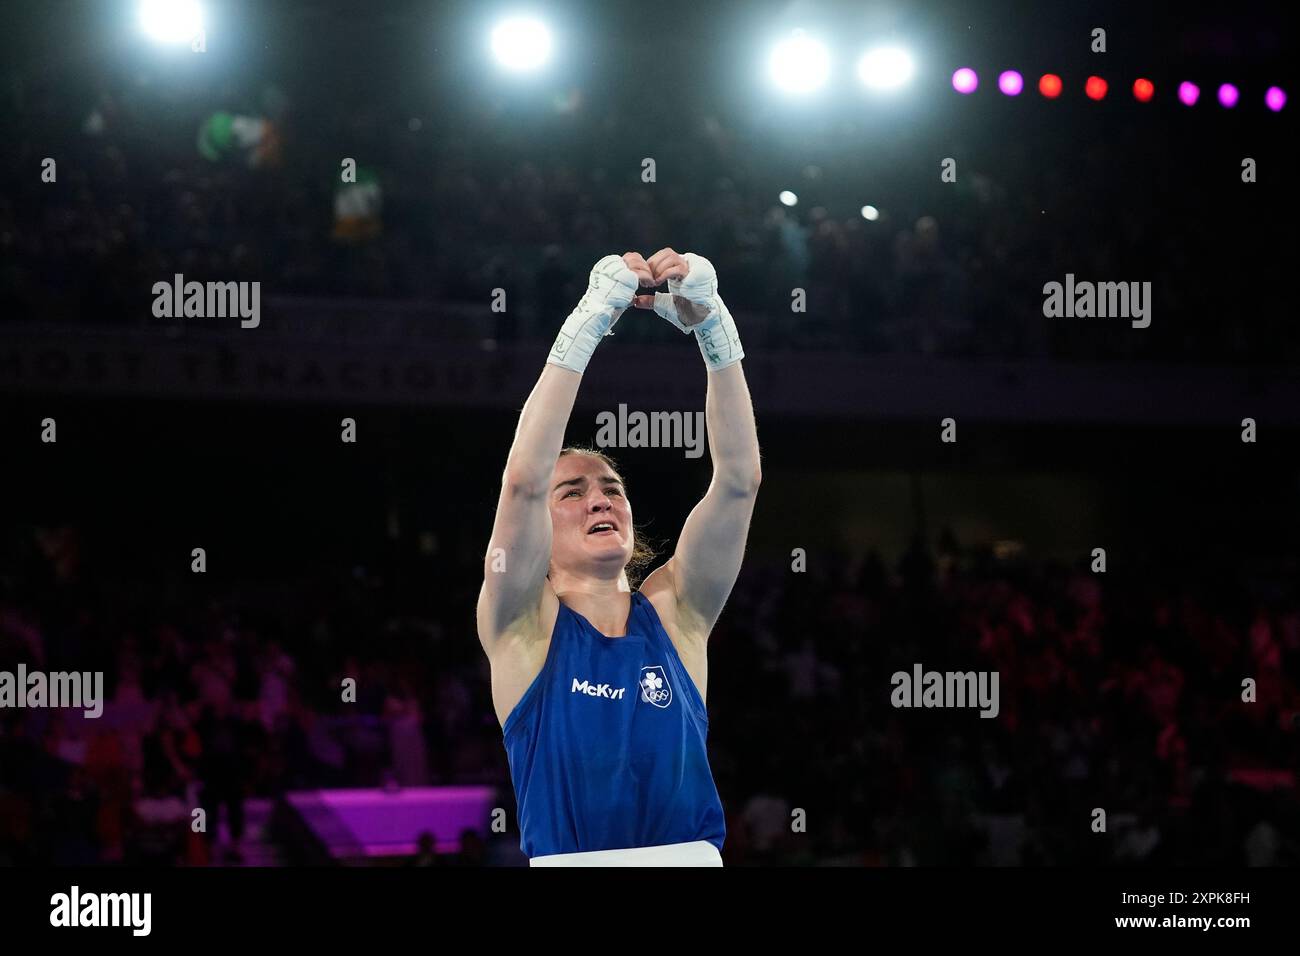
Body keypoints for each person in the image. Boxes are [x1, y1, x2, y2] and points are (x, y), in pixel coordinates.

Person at [476, 248, 761, 865]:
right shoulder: (523, 625)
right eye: (573, 492)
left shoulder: (677, 612)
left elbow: (739, 481)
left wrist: (714, 326)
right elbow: (523, 481)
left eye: (611, 488)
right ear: (538, 535)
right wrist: (590, 317)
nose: (599, 500)